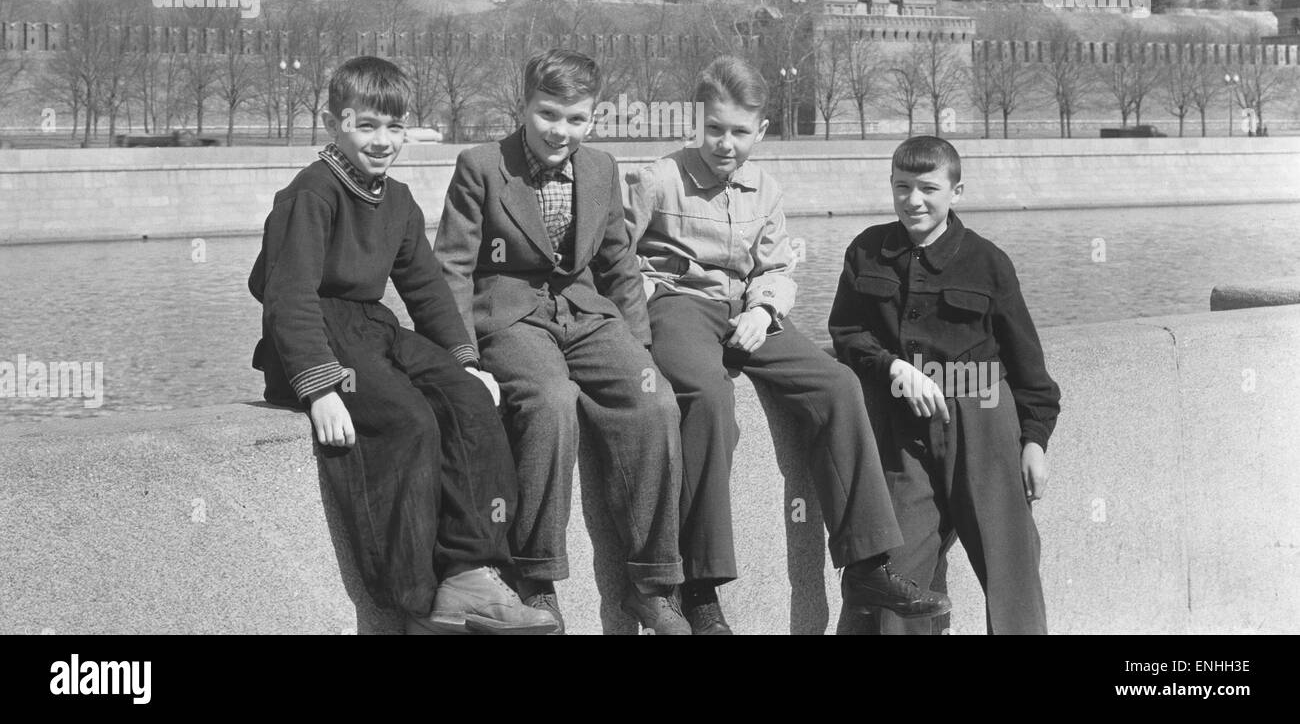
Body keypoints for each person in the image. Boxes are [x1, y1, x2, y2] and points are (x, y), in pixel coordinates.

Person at [625, 56, 951, 635]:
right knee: (705, 397)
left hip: (748, 313)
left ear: (762, 132)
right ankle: (700, 587)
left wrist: (764, 307)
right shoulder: (657, 179)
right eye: (715, 129)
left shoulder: (766, 189)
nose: (726, 144)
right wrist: (654, 297)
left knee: (838, 384)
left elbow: (776, 266)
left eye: (740, 132)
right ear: (695, 123)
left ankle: (868, 562)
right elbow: (615, 258)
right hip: (678, 305)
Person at [248, 56, 555, 636]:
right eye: (366, 126)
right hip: (312, 336)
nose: (383, 141)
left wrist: (468, 363)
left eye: (394, 127)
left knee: (469, 404)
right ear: (332, 122)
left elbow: (428, 292)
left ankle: (469, 572)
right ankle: (413, 602)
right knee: (408, 419)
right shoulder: (311, 194)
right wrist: (319, 387)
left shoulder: (399, 200)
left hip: (370, 325)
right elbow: (288, 297)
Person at [434, 49, 688, 634]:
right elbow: (452, 265)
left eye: (577, 119)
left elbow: (617, 259)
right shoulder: (481, 165)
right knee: (551, 403)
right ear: (523, 106)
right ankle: (536, 578)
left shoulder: (600, 167)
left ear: (594, 118)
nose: (561, 131)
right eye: (549, 114)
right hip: (511, 315)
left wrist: (639, 348)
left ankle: (651, 585)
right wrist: (463, 357)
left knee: (654, 401)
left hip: (586, 311)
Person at [829, 135, 1061, 634]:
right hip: (903, 430)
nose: (913, 200)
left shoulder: (988, 261)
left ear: (957, 191)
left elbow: (1028, 367)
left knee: (1011, 570)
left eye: (928, 188)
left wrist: (1034, 441)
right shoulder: (867, 251)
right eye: (901, 187)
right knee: (897, 578)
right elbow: (847, 333)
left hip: (983, 421)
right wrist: (892, 367)